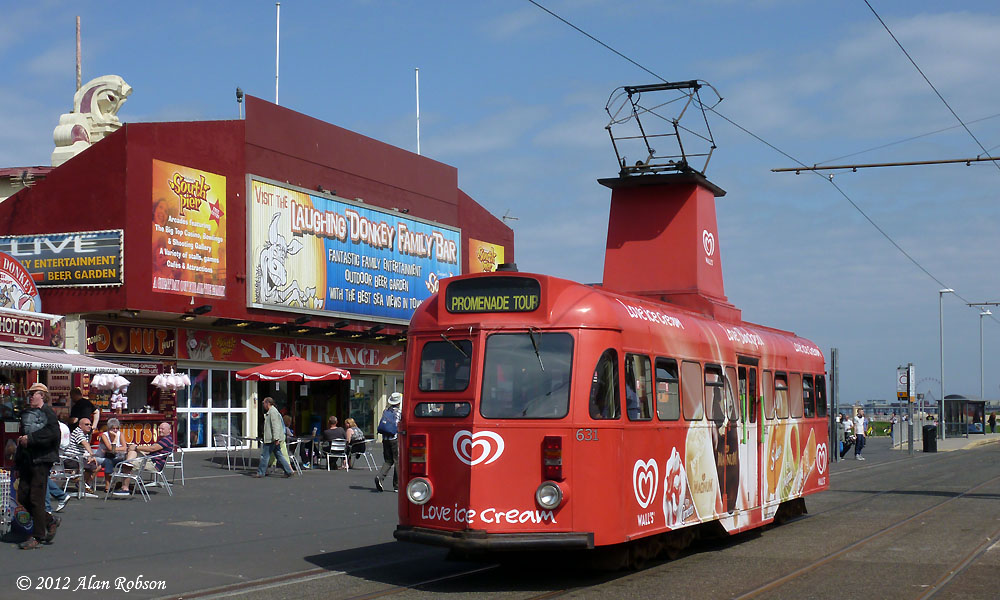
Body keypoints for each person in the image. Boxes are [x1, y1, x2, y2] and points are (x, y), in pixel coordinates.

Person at [15, 383, 61, 549]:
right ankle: (50, 520)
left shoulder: (48, 413)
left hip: (41, 460)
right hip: (27, 460)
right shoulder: (28, 414)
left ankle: (38, 536)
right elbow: (23, 435)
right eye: (30, 393)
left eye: (34, 393)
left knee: (36, 498)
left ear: (42, 395)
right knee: (23, 496)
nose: (31, 396)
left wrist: (31, 439)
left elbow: (53, 434)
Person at [115, 422, 175, 496]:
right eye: (159, 428)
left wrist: (137, 447)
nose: (160, 430)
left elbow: (152, 448)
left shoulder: (167, 440)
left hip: (154, 464)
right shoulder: (163, 439)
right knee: (131, 453)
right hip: (150, 459)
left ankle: (125, 489)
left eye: (162, 429)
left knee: (127, 465)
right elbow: (151, 450)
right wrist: (135, 448)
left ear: (169, 430)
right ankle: (127, 463)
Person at [254, 397, 293, 478]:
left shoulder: (273, 412)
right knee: (279, 455)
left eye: (263, 403)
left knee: (265, 456)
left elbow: (275, 426)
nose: (263, 405)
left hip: (271, 439)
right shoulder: (272, 412)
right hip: (273, 438)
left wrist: (276, 438)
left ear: (268, 403)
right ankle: (288, 470)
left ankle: (261, 472)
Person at [65, 417, 100, 497]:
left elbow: (84, 449)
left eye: (90, 425)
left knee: (95, 466)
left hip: (79, 458)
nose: (89, 426)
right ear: (80, 425)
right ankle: (79, 482)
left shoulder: (86, 434)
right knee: (90, 465)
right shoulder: (78, 432)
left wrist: (89, 457)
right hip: (70, 458)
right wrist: (91, 454)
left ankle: (83, 484)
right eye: (86, 424)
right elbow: (85, 444)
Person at [375, 392, 402, 492]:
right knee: (397, 461)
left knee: (388, 460)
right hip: (394, 439)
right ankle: (396, 486)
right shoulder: (399, 412)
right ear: (399, 402)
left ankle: (380, 477)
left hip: (385, 439)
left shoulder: (386, 410)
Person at [98, 418, 127, 492]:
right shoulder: (104, 435)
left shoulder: (120, 434)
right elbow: (110, 448)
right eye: (113, 428)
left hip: (117, 456)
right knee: (108, 462)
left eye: (117, 428)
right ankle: (107, 486)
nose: (115, 430)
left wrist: (112, 449)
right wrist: (116, 439)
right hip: (103, 456)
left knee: (127, 463)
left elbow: (124, 448)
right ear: (109, 428)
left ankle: (125, 485)